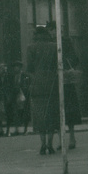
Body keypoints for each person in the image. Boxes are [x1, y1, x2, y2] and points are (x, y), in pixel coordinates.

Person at [46, 21, 81, 150]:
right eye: (51, 31)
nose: (52, 33)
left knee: (70, 112)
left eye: (54, 30)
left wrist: (67, 67)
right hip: (55, 81)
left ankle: (72, 138)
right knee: (57, 112)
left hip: (66, 80)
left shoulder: (66, 41)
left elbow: (74, 58)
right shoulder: (49, 44)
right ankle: (62, 140)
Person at [26, 25, 59, 154]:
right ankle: (50, 145)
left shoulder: (31, 47)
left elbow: (29, 68)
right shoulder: (54, 46)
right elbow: (57, 65)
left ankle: (42, 144)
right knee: (51, 115)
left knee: (40, 116)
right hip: (52, 84)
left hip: (37, 85)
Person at [8, 59, 31, 135]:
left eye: (17, 67)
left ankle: (25, 129)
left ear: (20, 68)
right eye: (14, 67)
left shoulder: (25, 76)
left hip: (24, 96)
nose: (15, 68)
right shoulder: (12, 76)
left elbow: (29, 85)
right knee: (16, 113)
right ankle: (16, 129)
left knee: (25, 113)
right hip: (15, 96)